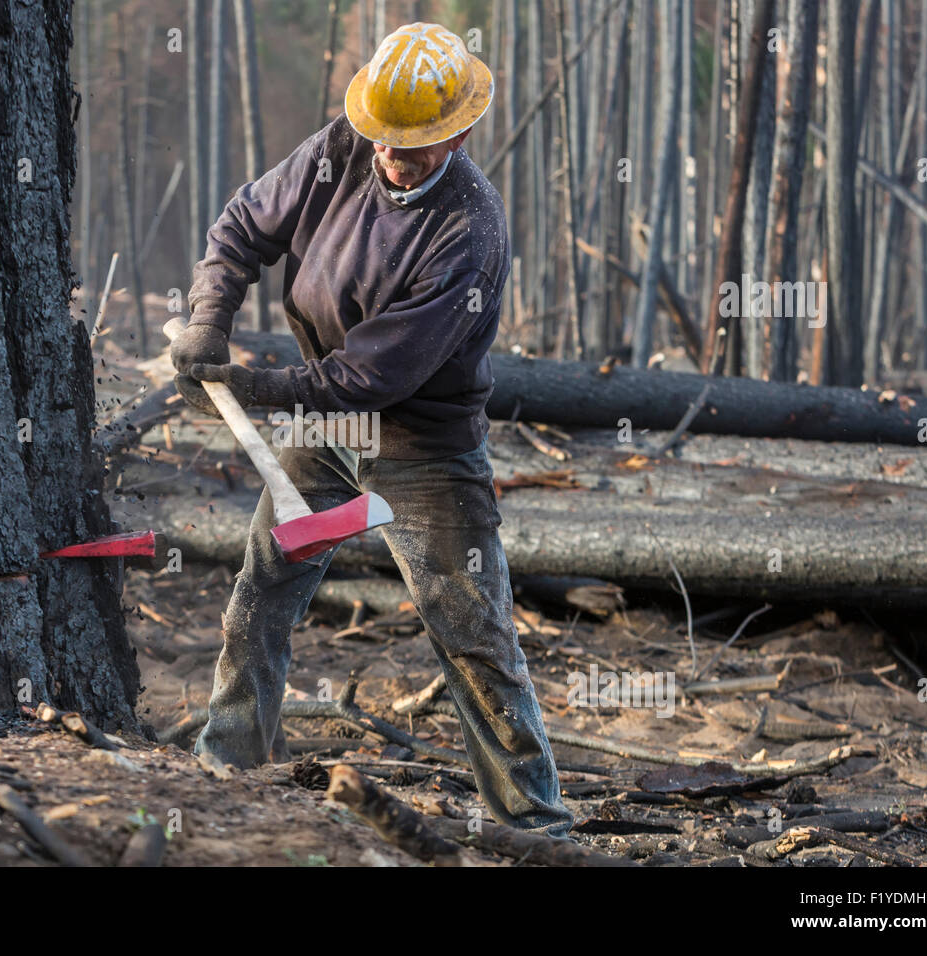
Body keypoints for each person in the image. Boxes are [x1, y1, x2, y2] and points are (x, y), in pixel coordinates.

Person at [169, 22, 573, 838]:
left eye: (415, 147)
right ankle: (227, 769)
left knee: (470, 632)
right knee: (263, 588)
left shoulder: (470, 231)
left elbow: (374, 377)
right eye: (382, 140)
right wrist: (209, 325)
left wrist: (249, 385)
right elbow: (243, 224)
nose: (391, 158)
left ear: (459, 132)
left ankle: (534, 826)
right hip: (323, 421)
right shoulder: (347, 145)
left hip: (423, 446)